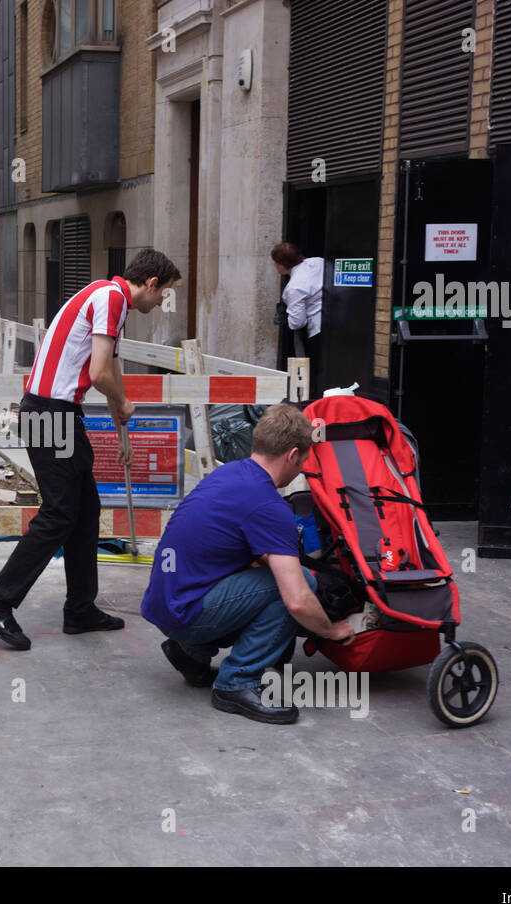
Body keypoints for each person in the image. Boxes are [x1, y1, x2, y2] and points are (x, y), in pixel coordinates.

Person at [0, 249, 181, 650]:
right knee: (59, 514)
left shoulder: (109, 298)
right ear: (151, 284)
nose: (161, 303)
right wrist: (122, 400)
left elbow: (109, 366)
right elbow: (100, 374)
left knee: (84, 512)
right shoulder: (112, 299)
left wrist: (121, 409)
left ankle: (81, 609)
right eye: (164, 294)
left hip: (57, 414)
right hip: (52, 415)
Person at [141, 404, 355, 724]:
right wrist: (333, 629)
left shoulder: (230, 472)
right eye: (305, 460)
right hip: (185, 613)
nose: (302, 468)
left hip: (164, 600)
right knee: (299, 585)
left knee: (259, 570)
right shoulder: (269, 506)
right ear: (293, 454)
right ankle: (236, 683)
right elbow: (297, 601)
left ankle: (191, 654)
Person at [271, 242, 324, 396]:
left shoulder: (293, 288)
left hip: (317, 330)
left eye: (275, 262)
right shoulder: (318, 262)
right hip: (337, 321)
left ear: (281, 265)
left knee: (314, 373)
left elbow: (297, 322)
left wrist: (287, 316)